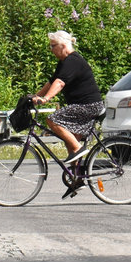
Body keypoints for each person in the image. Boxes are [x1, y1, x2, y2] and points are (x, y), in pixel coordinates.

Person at [32, 30, 105, 163]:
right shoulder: (64, 62)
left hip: (89, 106)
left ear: (63, 45)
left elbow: (60, 83)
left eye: (53, 46)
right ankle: (77, 179)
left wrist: (46, 99)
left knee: (52, 120)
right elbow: (52, 82)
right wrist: (35, 96)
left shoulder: (73, 60)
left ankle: (79, 148)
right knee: (70, 139)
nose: (51, 50)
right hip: (82, 106)